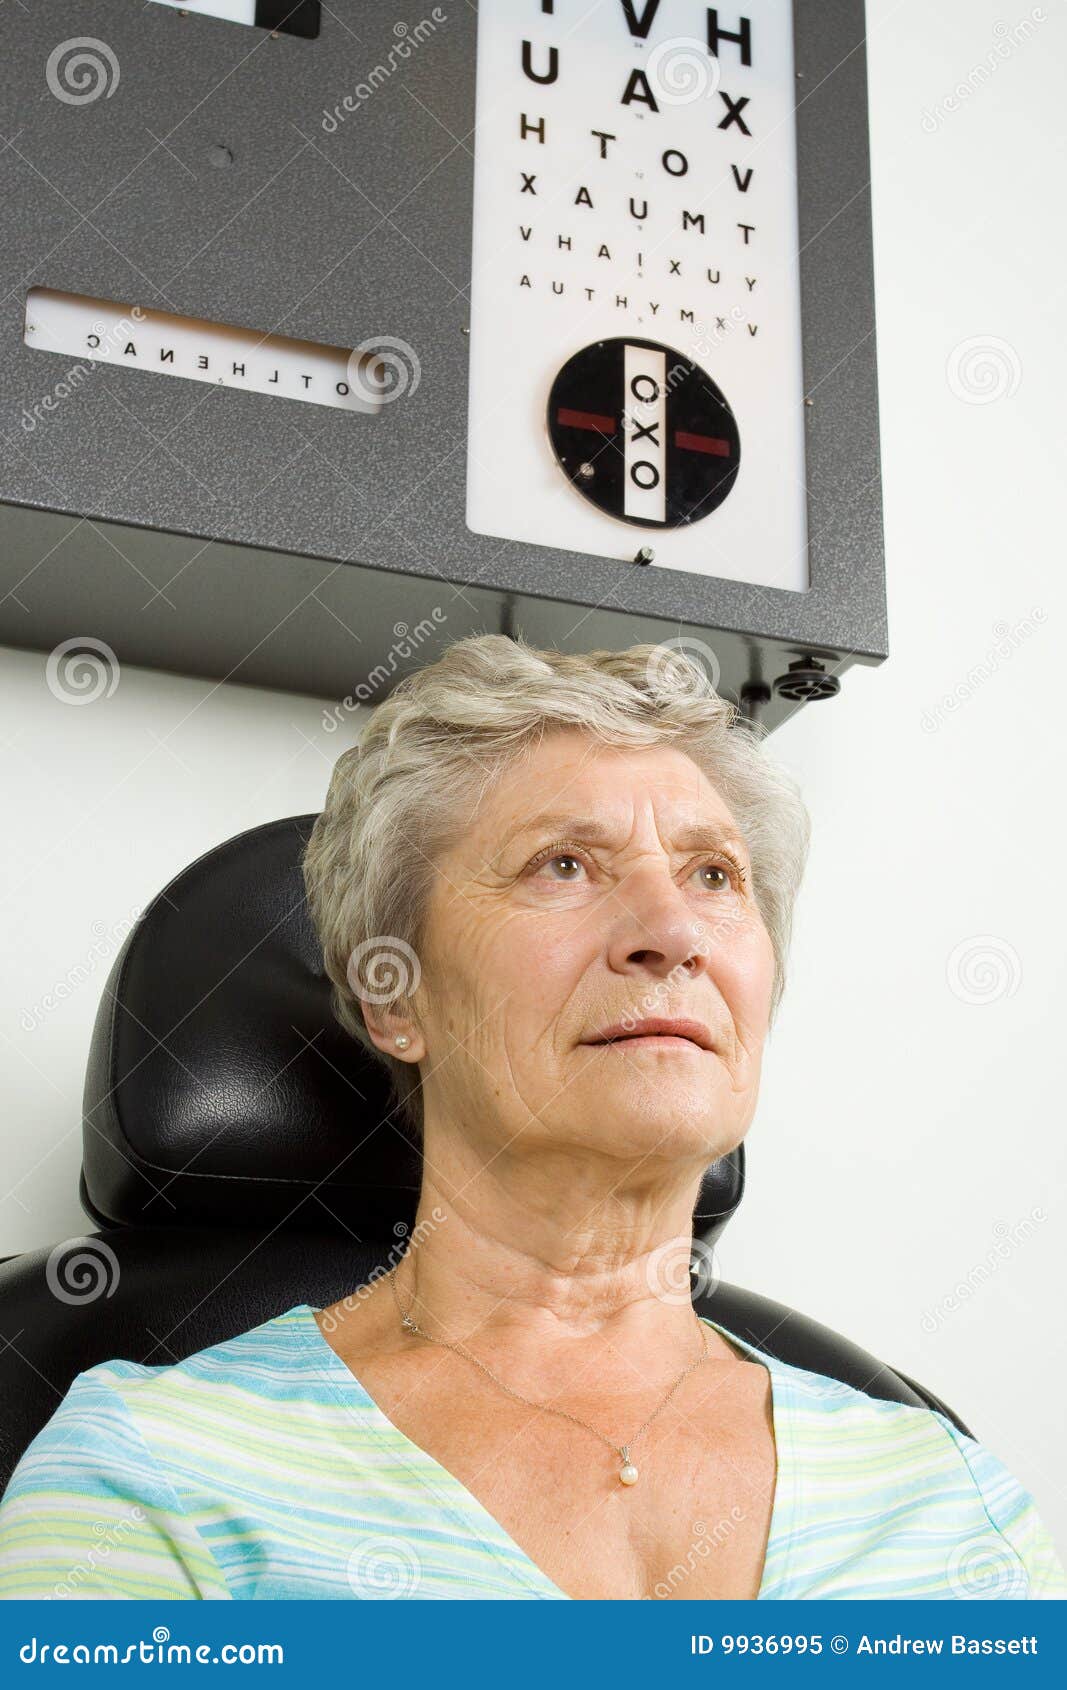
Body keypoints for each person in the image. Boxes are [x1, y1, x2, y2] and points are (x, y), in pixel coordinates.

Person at [0, 634, 1063, 1600]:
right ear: (394, 992)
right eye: (564, 865)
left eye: (712, 874)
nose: (670, 930)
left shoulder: (942, 1490)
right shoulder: (151, 1476)